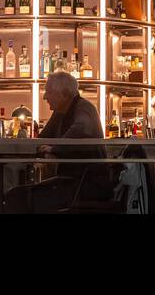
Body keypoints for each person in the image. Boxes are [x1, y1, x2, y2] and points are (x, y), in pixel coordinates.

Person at [6, 72, 104, 212]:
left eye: (48, 92)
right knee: (15, 194)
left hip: (88, 185)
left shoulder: (84, 107)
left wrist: (53, 149)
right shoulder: (60, 111)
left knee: (17, 197)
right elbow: (43, 139)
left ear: (64, 94)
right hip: (71, 182)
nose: (45, 96)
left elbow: (82, 130)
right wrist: (24, 147)